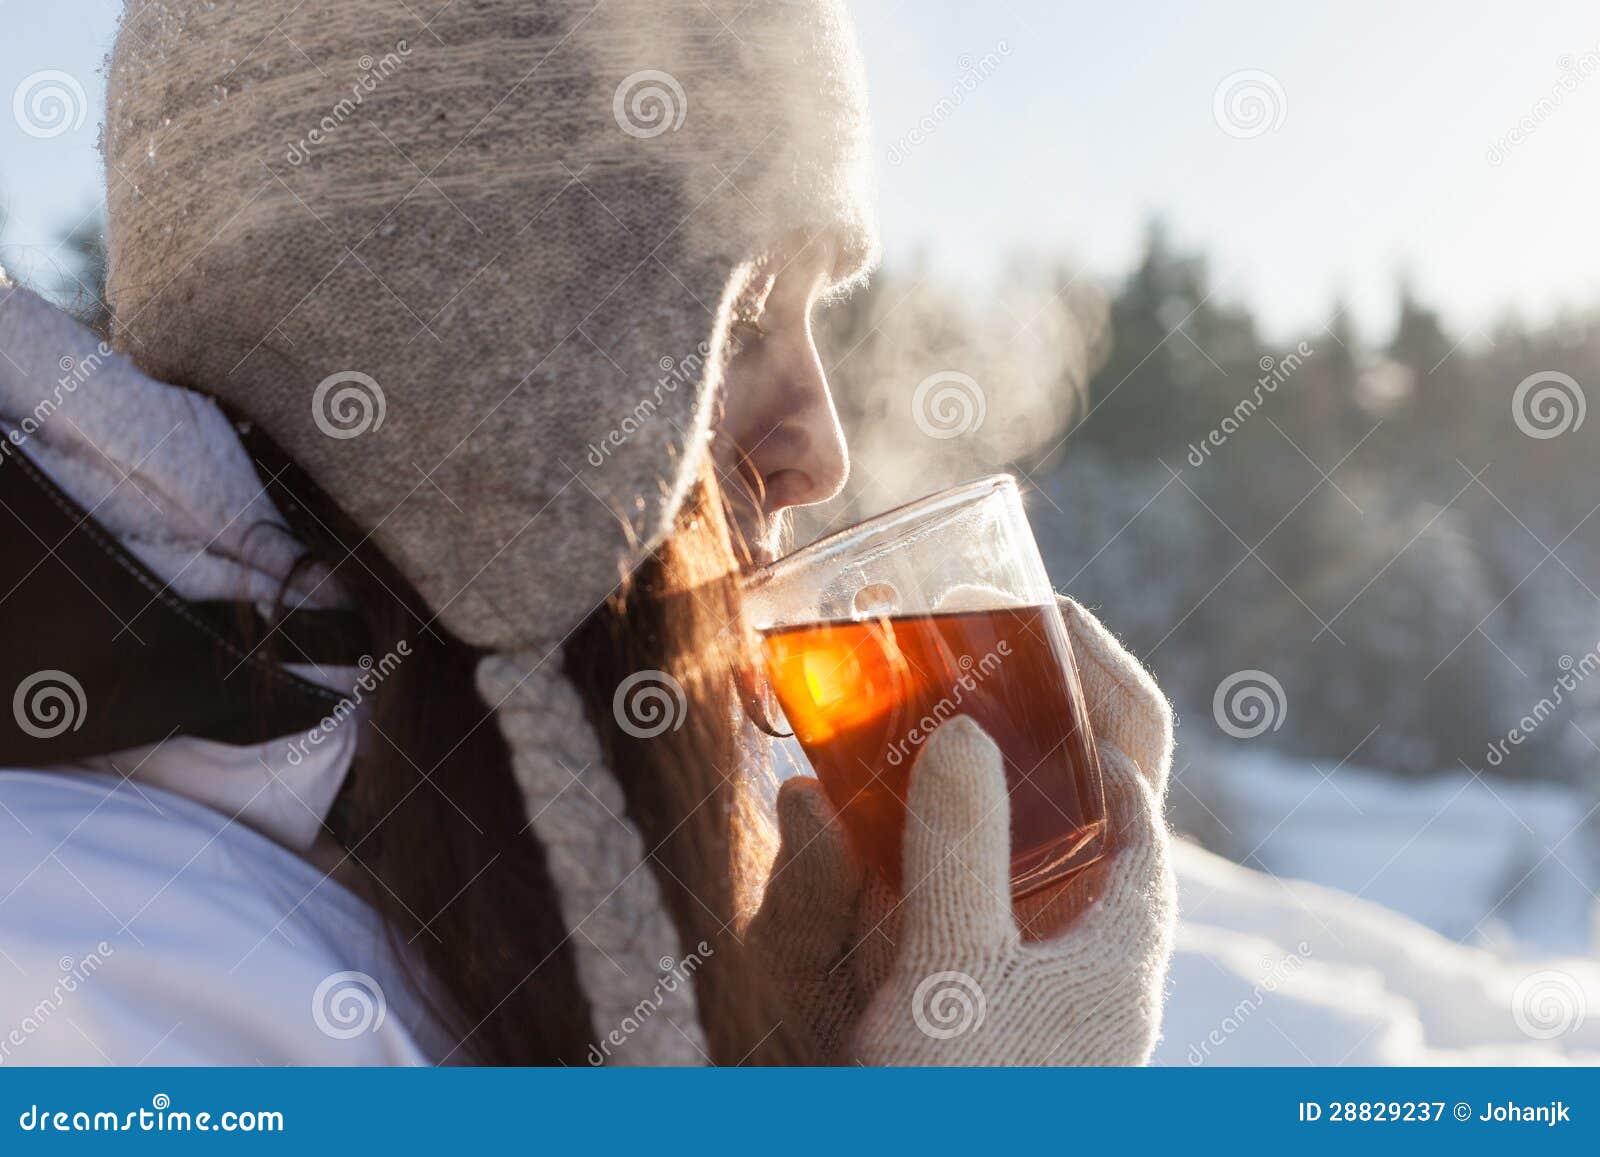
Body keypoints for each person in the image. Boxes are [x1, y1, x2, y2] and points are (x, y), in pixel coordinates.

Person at [0, 0, 1175, 1066]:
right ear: (479, 361)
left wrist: (797, 1057)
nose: (823, 448)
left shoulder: (389, 856)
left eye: (826, 317)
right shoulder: (126, 972)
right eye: (743, 311)